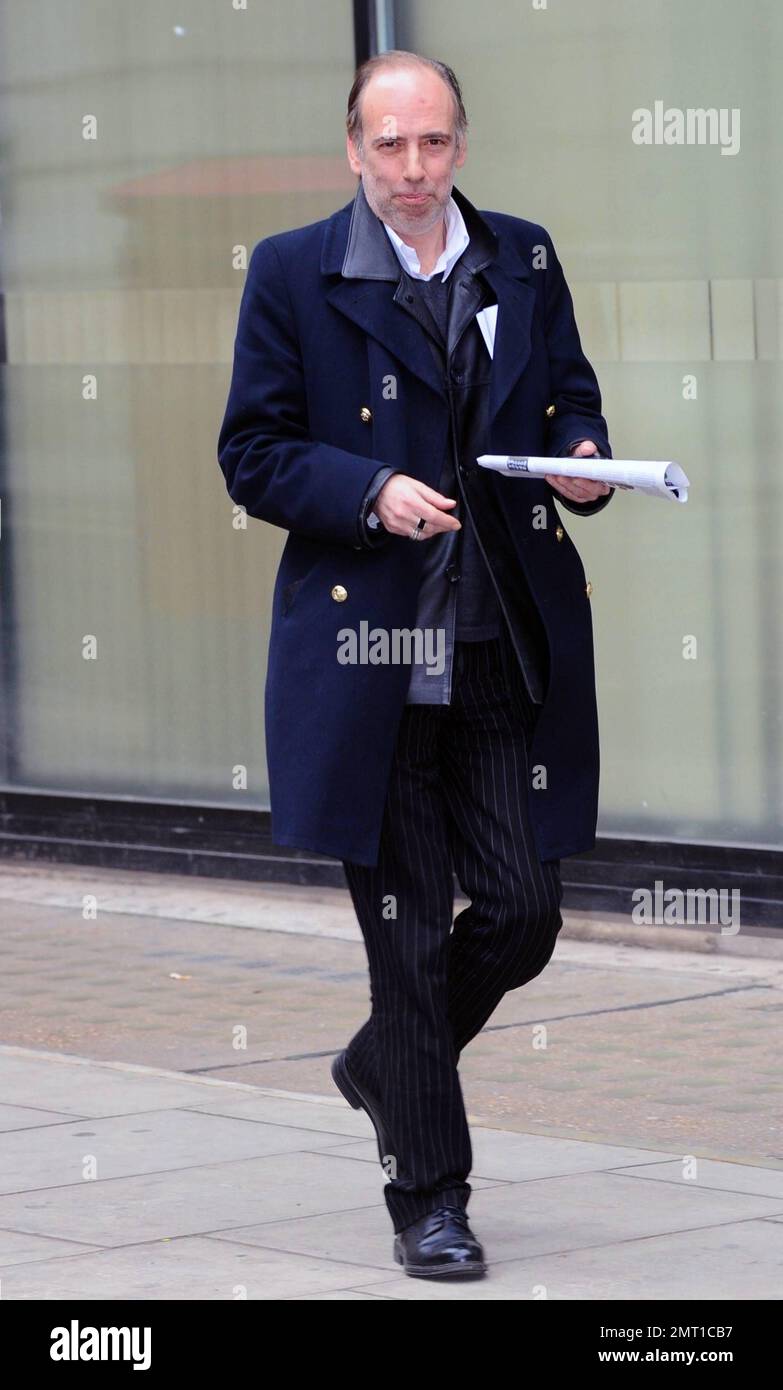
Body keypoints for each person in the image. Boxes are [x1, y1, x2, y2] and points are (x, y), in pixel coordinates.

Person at [217, 49, 614, 1281]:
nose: (412, 168)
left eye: (433, 142)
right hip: (366, 664)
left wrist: (586, 453)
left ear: (461, 145)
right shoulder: (294, 271)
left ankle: (388, 1059)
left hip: (496, 647)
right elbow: (254, 451)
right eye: (388, 144)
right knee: (406, 938)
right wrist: (370, 489)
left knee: (523, 912)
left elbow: (567, 400)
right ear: (352, 148)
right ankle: (428, 1199)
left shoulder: (524, 256)